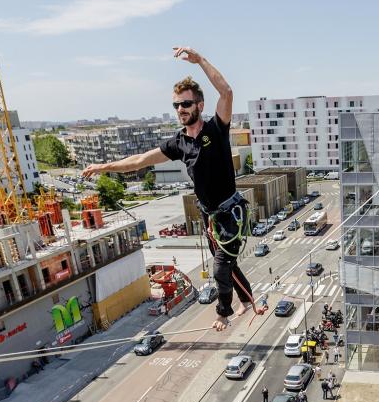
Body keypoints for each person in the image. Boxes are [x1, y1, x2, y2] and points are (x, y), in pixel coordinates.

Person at [83, 47, 263, 332]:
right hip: (210, 217)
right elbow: (140, 160)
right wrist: (105, 167)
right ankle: (248, 299)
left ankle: (223, 313)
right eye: (177, 105)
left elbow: (226, 92)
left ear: (199, 105)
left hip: (230, 212)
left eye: (186, 104)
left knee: (220, 268)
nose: (181, 110)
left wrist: (200, 60)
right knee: (227, 264)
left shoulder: (216, 129)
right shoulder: (178, 143)